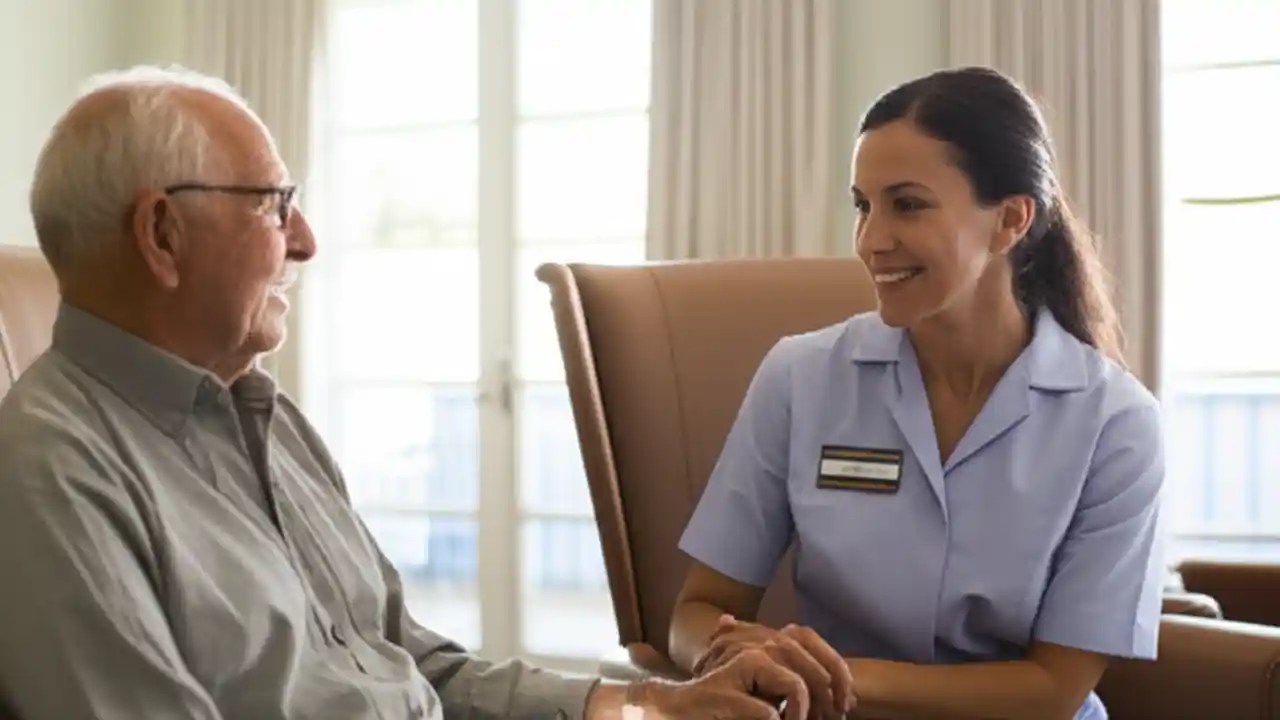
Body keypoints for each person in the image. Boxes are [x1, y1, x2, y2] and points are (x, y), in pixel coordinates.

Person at [0, 67, 812, 720]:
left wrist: (646, 708)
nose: (307, 241)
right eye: (275, 205)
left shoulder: (266, 419)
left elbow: (413, 664)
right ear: (162, 234)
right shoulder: (51, 472)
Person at [669, 66, 1165, 720]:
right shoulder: (799, 377)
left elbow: (1053, 690)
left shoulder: (1117, 424)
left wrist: (829, 675)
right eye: (862, 205)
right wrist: (730, 653)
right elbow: (696, 612)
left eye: (908, 204)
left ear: (1010, 220)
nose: (872, 239)